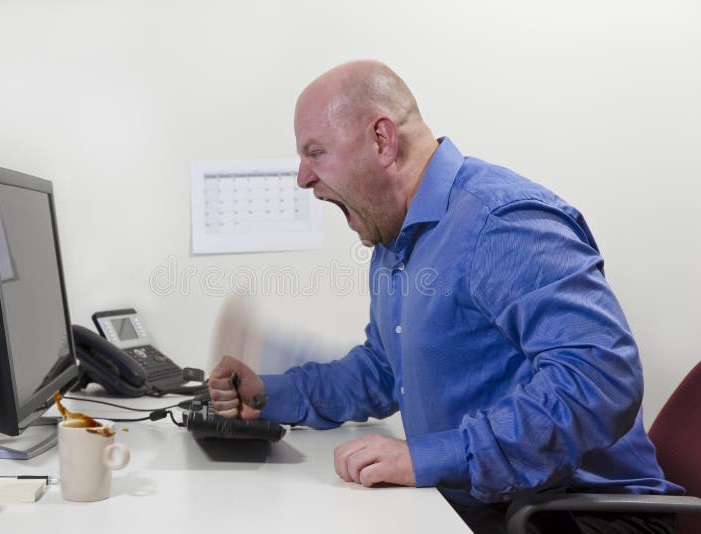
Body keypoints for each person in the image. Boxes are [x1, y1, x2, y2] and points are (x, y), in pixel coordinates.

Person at [208, 60, 681, 533]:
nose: (302, 178)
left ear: (382, 140)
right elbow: (384, 369)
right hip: (490, 503)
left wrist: (434, 456)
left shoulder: (502, 222)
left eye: (316, 152)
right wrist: (269, 393)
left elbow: (602, 380)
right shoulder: (394, 238)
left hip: (579, 514)